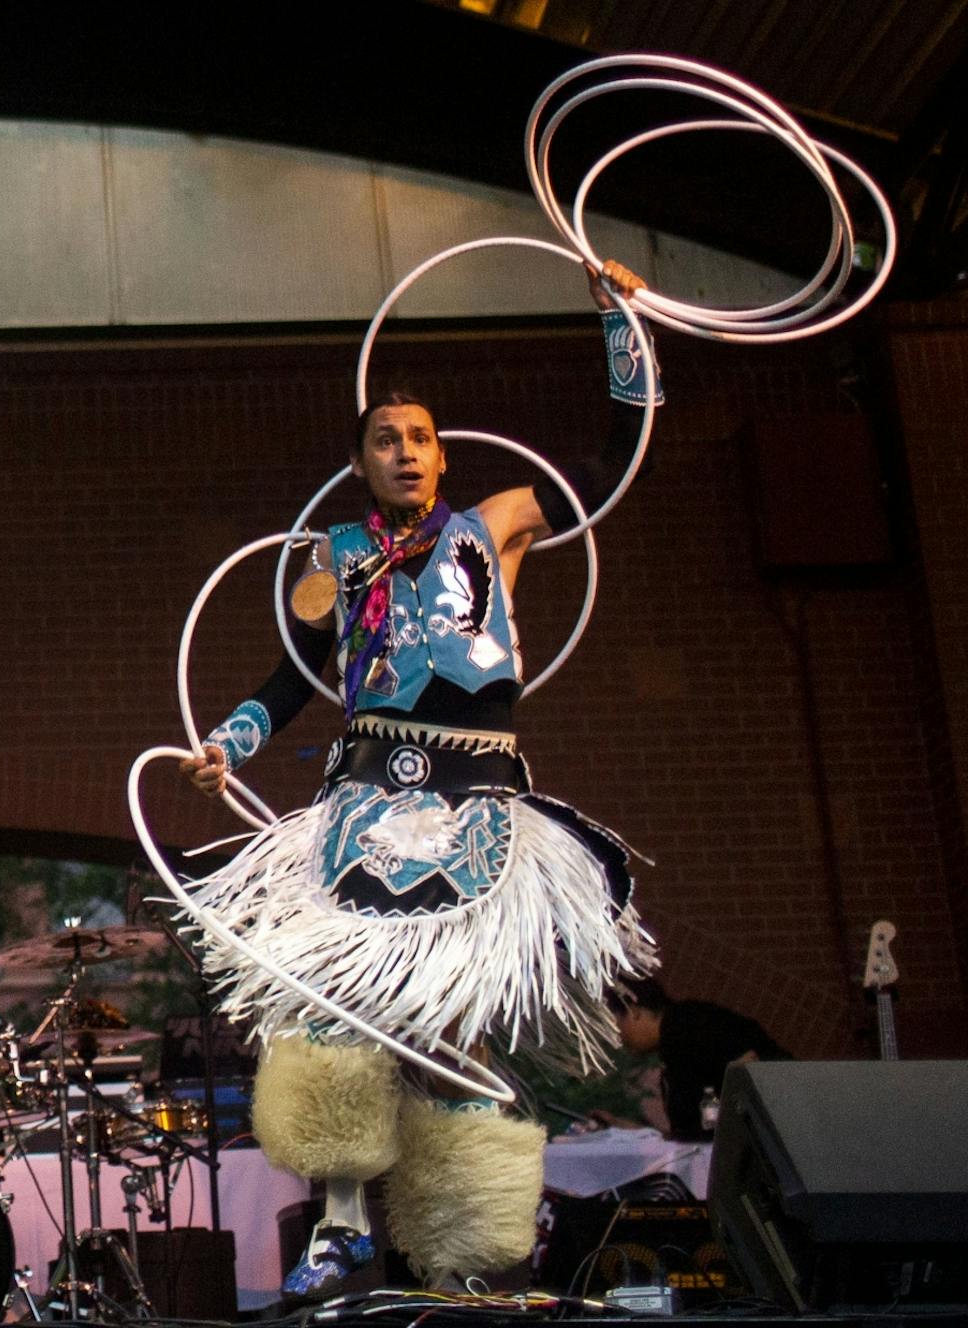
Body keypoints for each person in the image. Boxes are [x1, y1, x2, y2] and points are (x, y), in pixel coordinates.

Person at [178, 261, 661, 1297]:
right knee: (338, 1009)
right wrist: (229, 741)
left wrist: (620, 321)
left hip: (477, 798)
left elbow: (615, 465)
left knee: (454, 1025)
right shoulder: (336, 552)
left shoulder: (495, 526)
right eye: (387, 439)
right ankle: (343, 1225)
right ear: (360, 460)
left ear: (443, 455)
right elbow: (290, 680)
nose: (407, 451)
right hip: (365, 798)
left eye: (422, 436)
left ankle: (473, 1241)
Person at [608, 976, 789, 1140]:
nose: (618, 1037)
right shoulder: (674, 1041)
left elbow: (751, 1063)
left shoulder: (690, 1024)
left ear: (633, 1011)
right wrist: (634, 1133)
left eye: (615, 1024)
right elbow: (692, 1136)